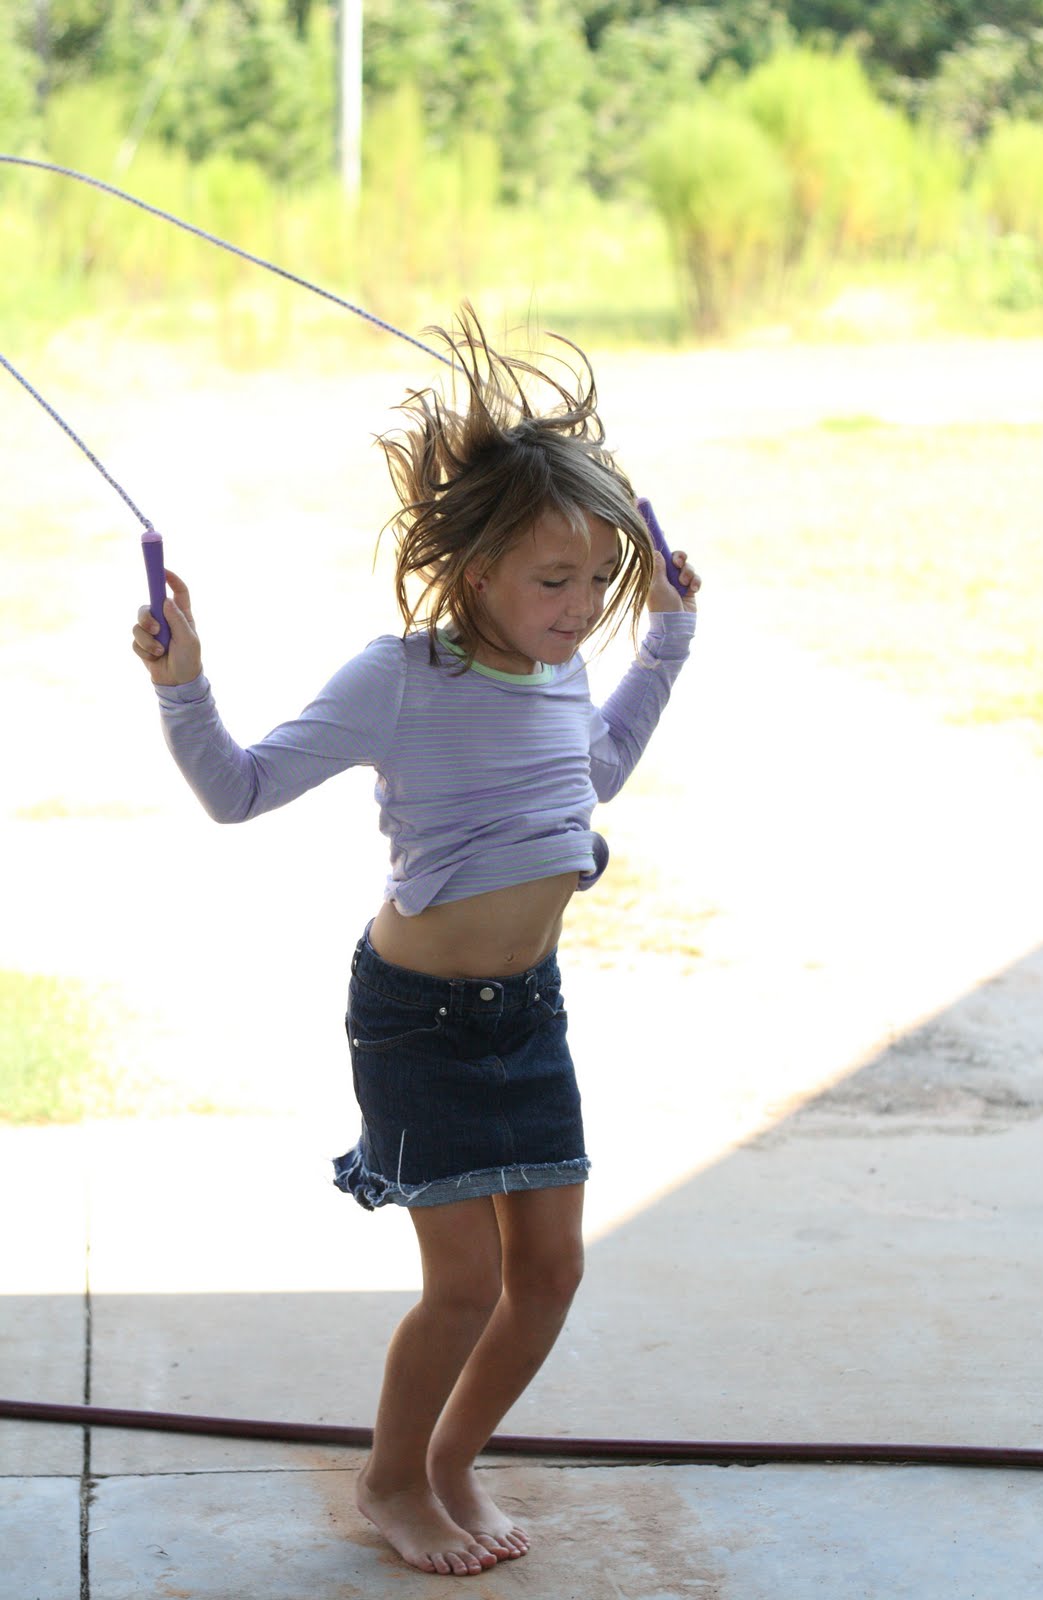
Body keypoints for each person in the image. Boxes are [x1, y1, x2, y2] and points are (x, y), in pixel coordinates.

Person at [131, 307, 700, 1577]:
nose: (578, 608)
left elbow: (590, 774)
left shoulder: (559, 671)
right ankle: (392, 1481)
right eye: (553, 582)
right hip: (419, 1017)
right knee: (461, 1286)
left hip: (527, 1010)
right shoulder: (396, 678)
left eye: (597, 581)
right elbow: (237, 789)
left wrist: (662, 638)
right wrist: (183, 683)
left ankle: (449, 1458)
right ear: (475, 571)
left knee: (545, 1273)